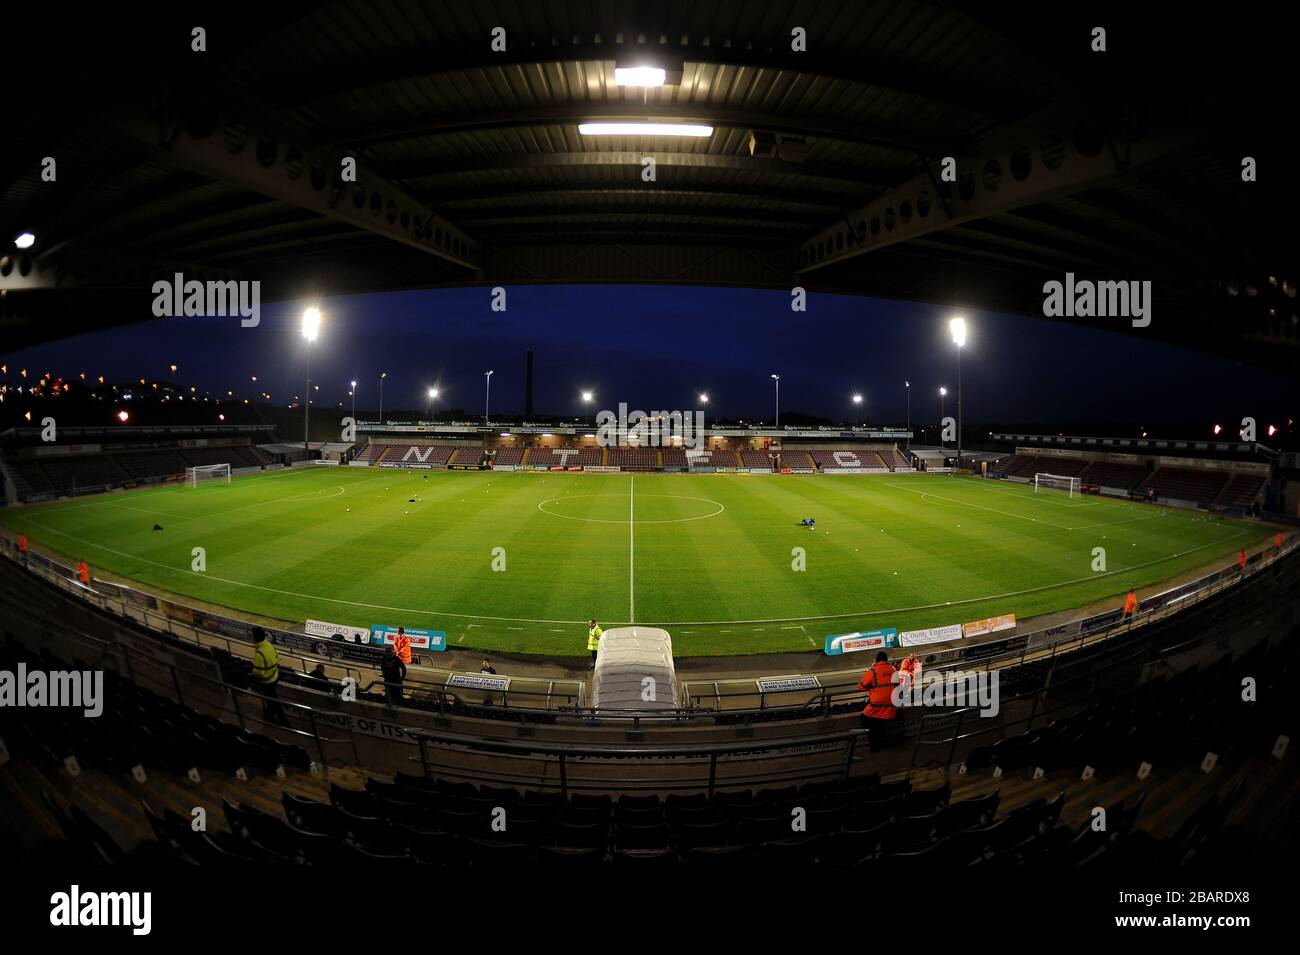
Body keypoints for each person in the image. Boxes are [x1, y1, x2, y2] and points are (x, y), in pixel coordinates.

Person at [250, 627, 287, 726]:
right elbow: (277, 657)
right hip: (275, 677)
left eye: (252, 635)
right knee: (272, 699)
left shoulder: (259, 653)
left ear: (255, 637)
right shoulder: (269, 646)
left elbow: (258, 673)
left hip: (267, 682)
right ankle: (276, 717)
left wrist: (252, 672)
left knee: (272, 701)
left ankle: (279, 720)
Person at [858, 652, 899, 723]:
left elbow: (861, 687)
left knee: (863, 718)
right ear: (886, 660)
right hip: (892, 707)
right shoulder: (893, 670)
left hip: (877, 707)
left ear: (876, 660)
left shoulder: (873, 671)